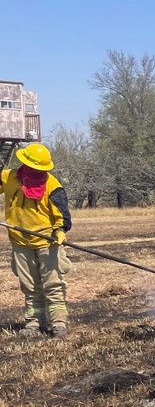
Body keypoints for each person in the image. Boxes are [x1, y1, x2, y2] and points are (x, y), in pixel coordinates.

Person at [1, 143, 72, 337]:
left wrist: (59, 230)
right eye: (34, 168)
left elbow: (63, 215)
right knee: (30, 286)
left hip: (47, 241)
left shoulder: (52, 185)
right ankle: (34, 323)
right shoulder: (8, 178)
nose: (37, 172)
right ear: (24, 164)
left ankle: (58, 323)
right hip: (20, 242)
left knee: (53, 284)